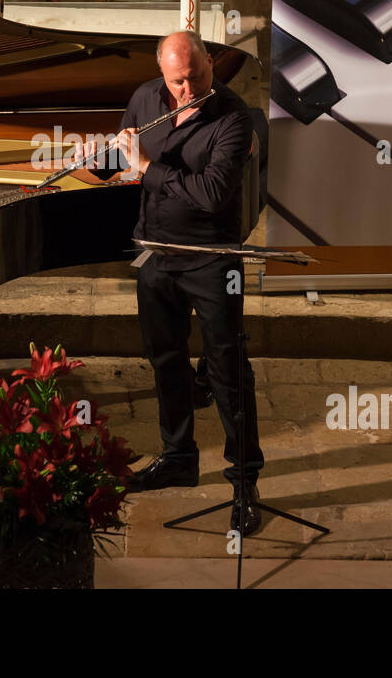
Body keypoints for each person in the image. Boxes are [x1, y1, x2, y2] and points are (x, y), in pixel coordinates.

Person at [88, 31, 265, 535]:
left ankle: (245, 484)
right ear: (163, 74)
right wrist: (108, 162)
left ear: (211, 62)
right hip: (155, 254)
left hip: (211, 259)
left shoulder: (234, 118)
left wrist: (145, 166)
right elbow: (123, 161)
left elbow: (211, 194)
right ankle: (179, 456)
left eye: (197, 76)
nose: (187, 89)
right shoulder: (146, 97)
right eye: (178, 81)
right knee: (165, 359)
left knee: (229, 372)